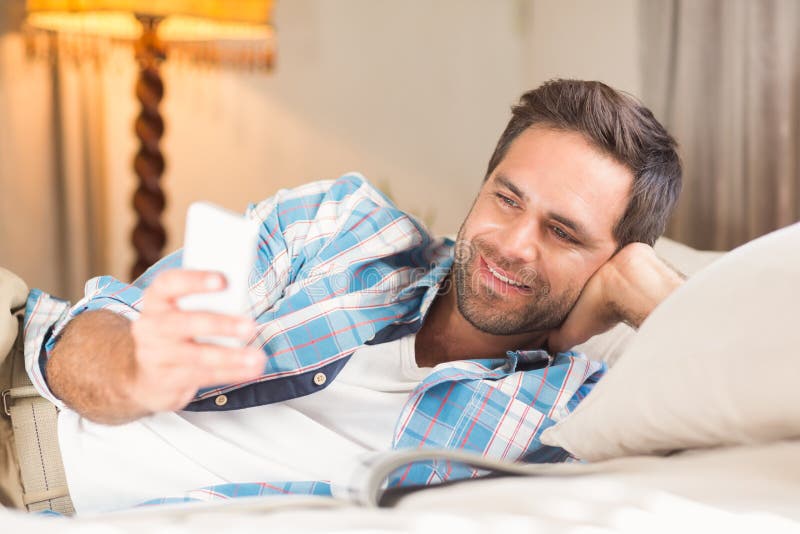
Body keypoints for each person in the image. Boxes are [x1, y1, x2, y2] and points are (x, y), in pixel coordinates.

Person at [18, 79, 684, 513]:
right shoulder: (342, 226)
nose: (512, 244)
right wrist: (133, 367)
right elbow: (86, 334)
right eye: (506, 199)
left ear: (615, 260)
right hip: (21, 400)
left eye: (562, 233)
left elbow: (741, 402)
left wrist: (650, 293)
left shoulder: (571, 414)